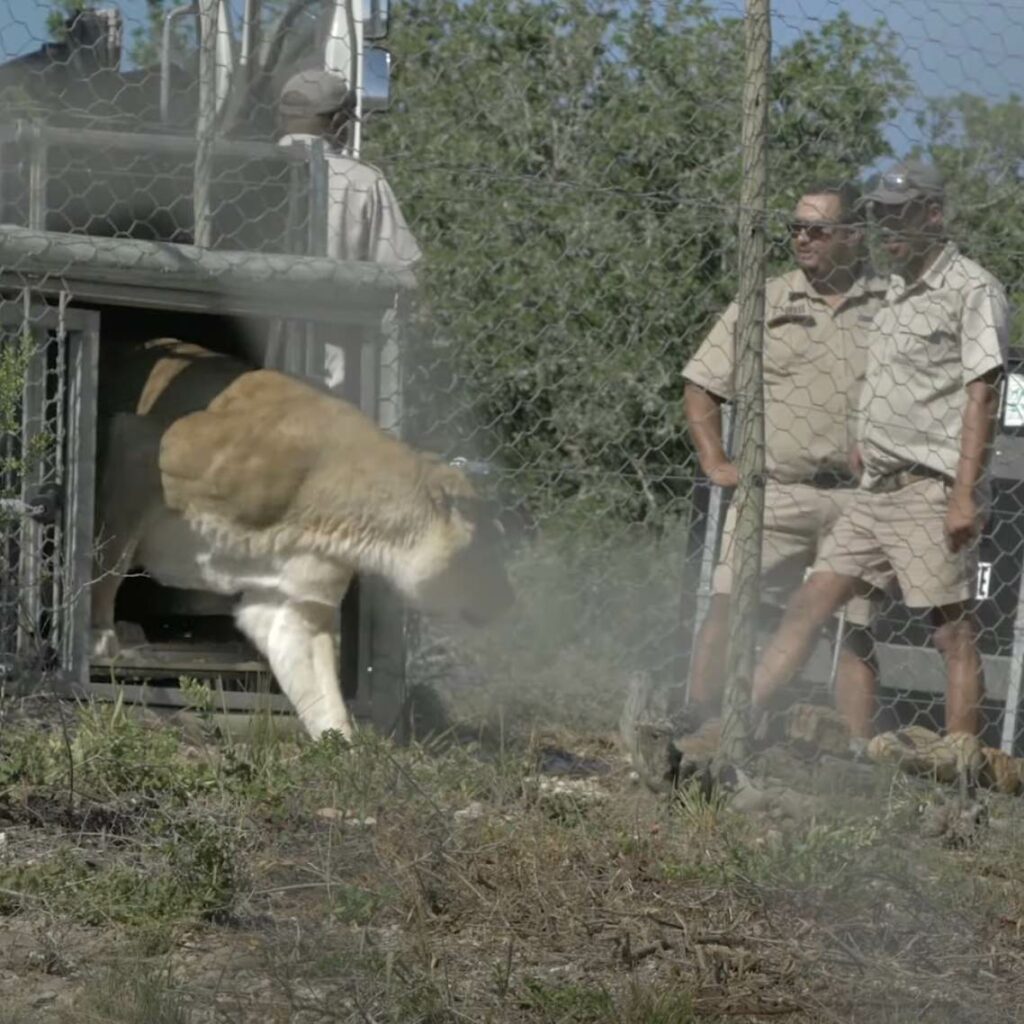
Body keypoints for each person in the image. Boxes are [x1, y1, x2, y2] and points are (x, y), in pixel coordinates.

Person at [750, 160, 1010, 738]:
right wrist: (866, 437)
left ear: (934, 214)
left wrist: (964, 496)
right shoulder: (893, 288)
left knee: (950, 632)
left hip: (930, 490)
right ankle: (733, 725)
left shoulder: (972, 289)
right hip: (873, 495)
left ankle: (960, 761)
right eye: (878, 216)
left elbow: (983, 397)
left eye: (899, 214)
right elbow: (888, 376)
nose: (886, 227)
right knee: (812, 601)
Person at [683, 181, 887, 738]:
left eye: (817, 229)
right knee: (729, 606)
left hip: (861, 502)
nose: (802, 238)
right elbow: (701, 385)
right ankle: (696, 727)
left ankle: (858, 761)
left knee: (855, 630)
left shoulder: (892, 307)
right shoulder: (765, 300)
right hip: (777, 488)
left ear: (853, 234)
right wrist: (716, 461)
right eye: (796, 227)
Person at [275, 68, 422, 390]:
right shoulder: (363, 180)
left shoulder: (241, 169)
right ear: (340, 122)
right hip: (331, 373)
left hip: (244, 362)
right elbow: (403, 271)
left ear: (282, 119)